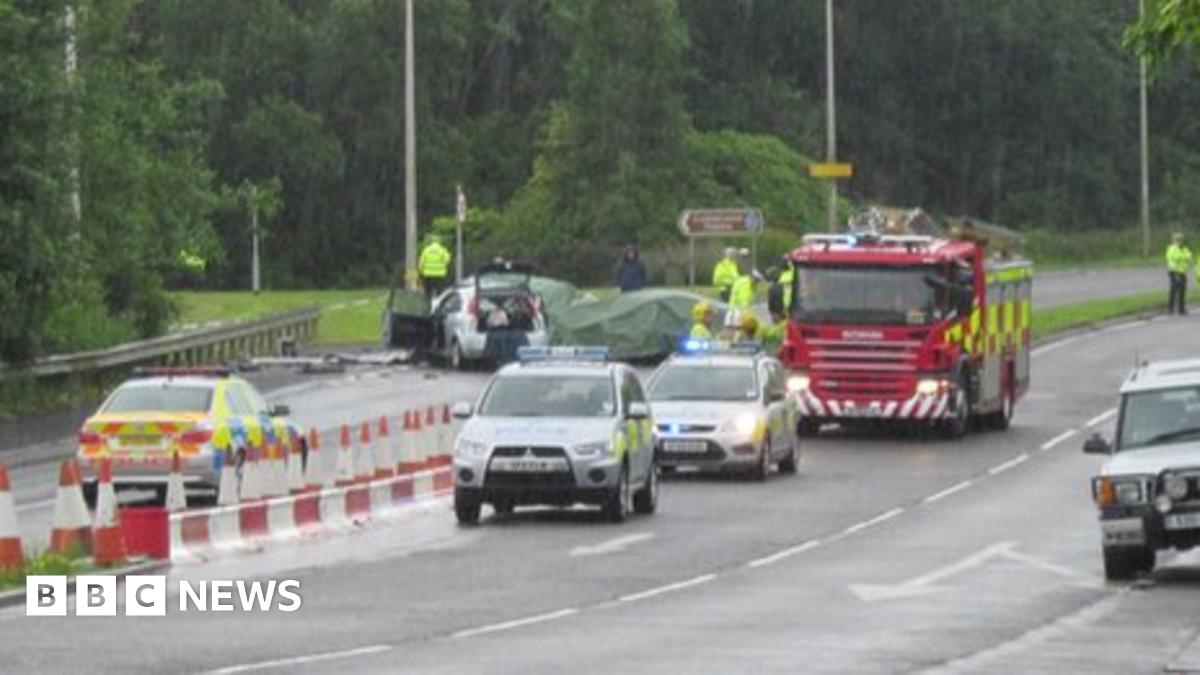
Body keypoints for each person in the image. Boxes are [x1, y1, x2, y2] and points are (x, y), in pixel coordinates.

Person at [418, 235, 452, 304]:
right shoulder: (442, 250)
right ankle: (438, 305)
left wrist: (421, 271)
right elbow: (447, 260)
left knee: (428, 292)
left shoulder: (426, 250)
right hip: (440, 274)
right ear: (439, 242)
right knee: (440, 293)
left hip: (428, 274)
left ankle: (427, 305)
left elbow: (421, 262)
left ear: (431, 242)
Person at [1167, 232, 1192, 315]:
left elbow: (1189, 257)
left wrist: (1183, 257)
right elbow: (1171, 259)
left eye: (1181, 240)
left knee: (1182, 290)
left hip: (1182, 272)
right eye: (1178, 240)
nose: (1180, 241)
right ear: (1174, 240)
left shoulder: (1185, 248)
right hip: (1174, 272)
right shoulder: (1172, 248)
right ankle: (1170, 309)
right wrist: (1175, 273)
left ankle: (1181, 309)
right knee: (1174, 290)